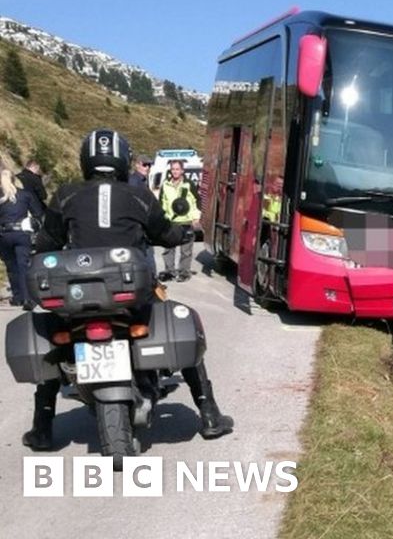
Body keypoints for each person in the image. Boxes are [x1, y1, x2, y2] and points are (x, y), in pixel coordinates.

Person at [22, 129, 233, 451]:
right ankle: (209, 414)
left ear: (85, 160)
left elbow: (47, 242)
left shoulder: (66, 194)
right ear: (122, 160)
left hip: (77, 298)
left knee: (53, 341)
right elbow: (166, 234)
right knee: (180, 323)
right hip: (131, 293)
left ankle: (42, 427)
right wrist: (182, 233)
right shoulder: (139, 195)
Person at [0, 167, 43, 309]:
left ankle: (17, 297)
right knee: (23, 264)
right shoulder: (25, 195)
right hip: (22, 233)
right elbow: (37, 213)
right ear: (14, 179)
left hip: (4, 234)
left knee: (11, 267)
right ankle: (27, 298)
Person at [158, 159, 200, 282]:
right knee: (168, 248)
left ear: (182, 170)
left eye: (177, 169)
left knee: (186, 250)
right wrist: (163, 217)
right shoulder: (165, 184)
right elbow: (162, 202)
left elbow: (196, 201)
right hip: (171, 221)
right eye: (173, 169)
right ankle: (169, 271)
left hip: (186, 221)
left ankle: (184, 272)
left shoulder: (189, 184)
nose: (175, 171)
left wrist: (196, 217)